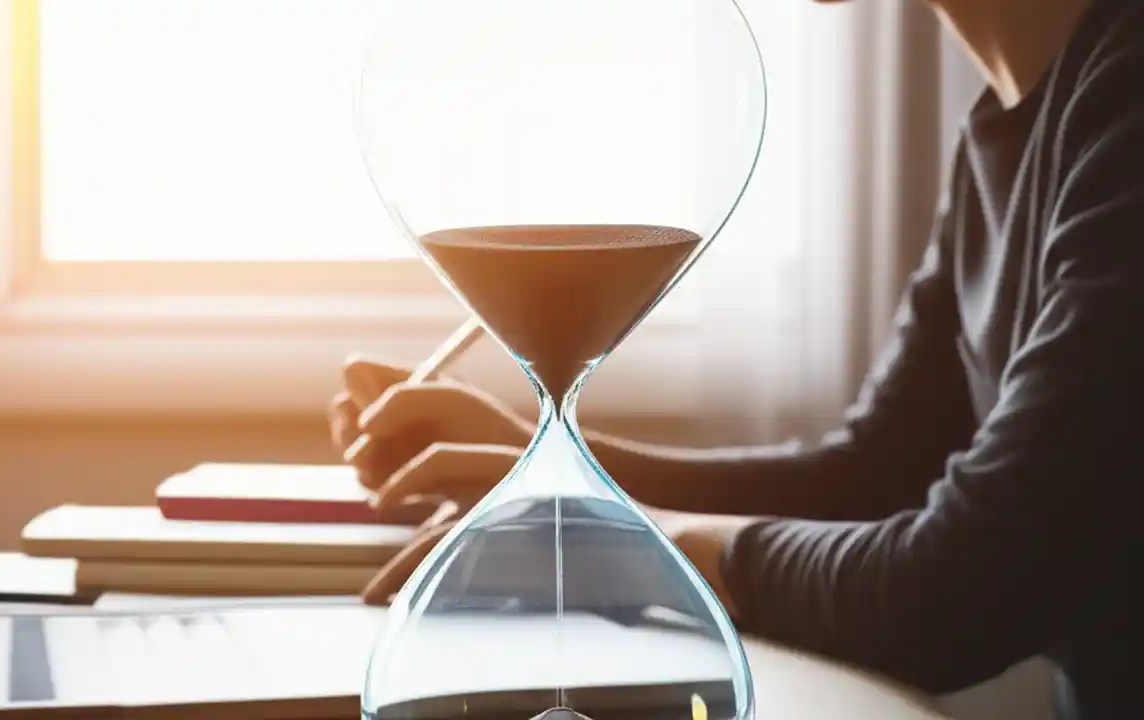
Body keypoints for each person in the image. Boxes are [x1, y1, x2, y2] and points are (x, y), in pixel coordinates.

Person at [330, 0, 1143, 717]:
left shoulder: (1126, 102)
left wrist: (636, 546)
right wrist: (550, 462)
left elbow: (959, 589)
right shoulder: (1009, 123)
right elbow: (871, 477)